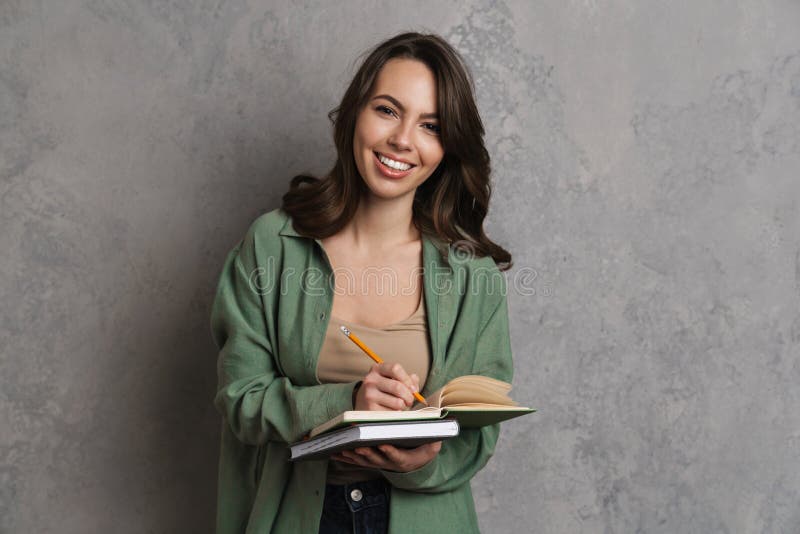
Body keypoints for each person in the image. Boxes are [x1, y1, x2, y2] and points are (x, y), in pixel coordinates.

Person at [210, 32, 515, 534]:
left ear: (446, 147)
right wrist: (348, 402)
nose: (403, 140)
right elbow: (242, 399)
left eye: (431, 125)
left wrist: (421, 464)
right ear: (355, 113)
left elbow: (479, 434)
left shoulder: (470, 273)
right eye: (388, 110)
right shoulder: (271, 245)